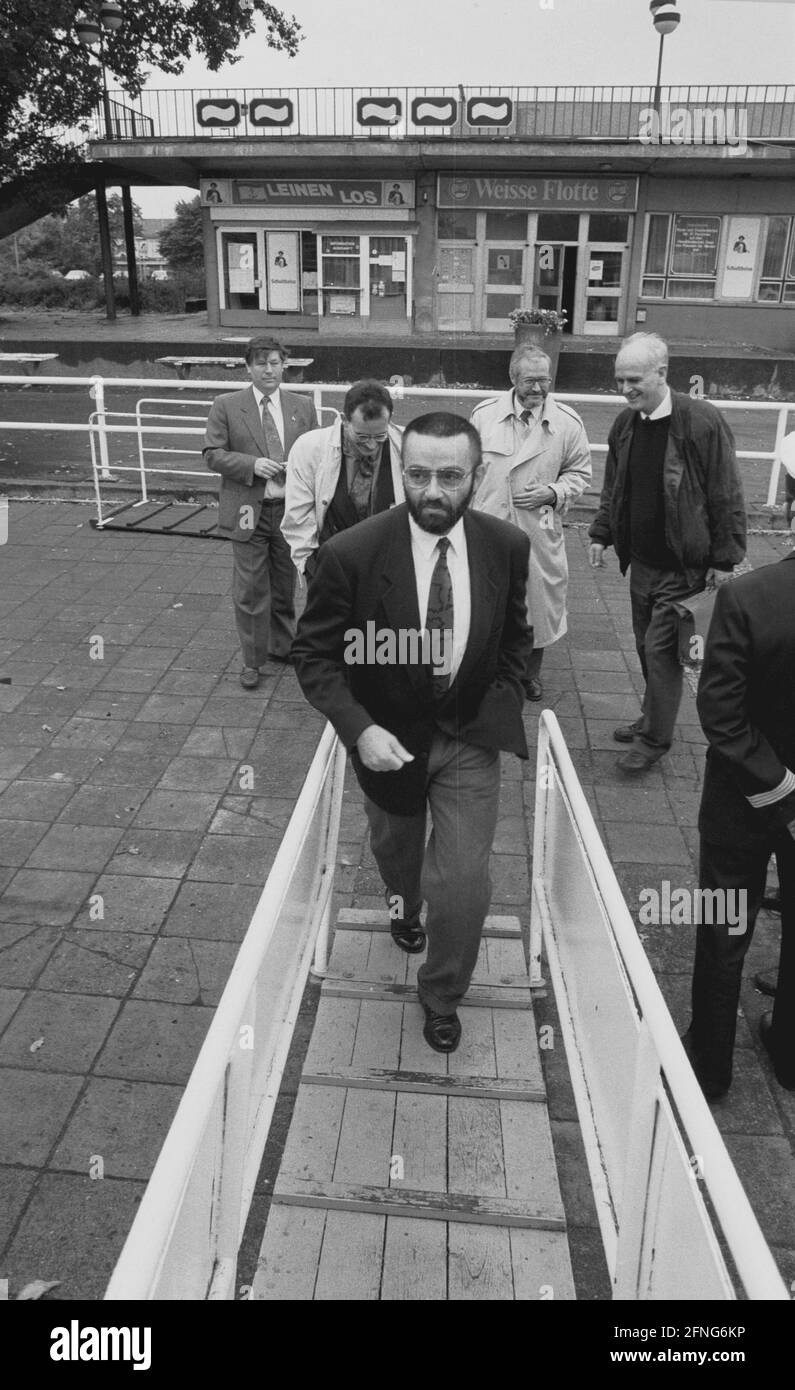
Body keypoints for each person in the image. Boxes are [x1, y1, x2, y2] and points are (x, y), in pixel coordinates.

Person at [292, 413, 532, 1054]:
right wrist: (359, 730)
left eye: (450, 476)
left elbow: (516, 635)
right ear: (402, 471)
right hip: (387, 741)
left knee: (460, 882)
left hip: (470, 738)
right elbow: (313, 657)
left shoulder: (507, 545)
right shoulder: (351, 554)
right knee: (398, 856)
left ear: (478, 477)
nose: (432, 491)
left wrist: (503, 697)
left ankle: (442, 992)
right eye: (418, 474)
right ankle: (403, 903)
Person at [588, 332, 746, 772]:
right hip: (642, 564)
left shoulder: (700, 421)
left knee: (661, 653)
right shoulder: (626, 424)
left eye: (633, 379)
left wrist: (724, 559)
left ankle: (655, 740)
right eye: (619, 380)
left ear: (662, 373)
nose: (624, 390)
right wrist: (602, 533)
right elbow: (615, 486)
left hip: (684, 565)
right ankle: (651, 717)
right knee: (644, 647)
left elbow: (726, 491)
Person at [682, 540, 795, 1099]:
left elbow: (721, 712)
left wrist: (780, 790)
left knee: (723, 931)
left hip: (740, 799)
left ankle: (709, 1065)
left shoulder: (746, 595)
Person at [470, 346, 591, 701]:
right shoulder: (484, 416)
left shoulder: (568, 422)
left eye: (544, 380)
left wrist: (553, 492)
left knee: (538, 604)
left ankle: (528, 675)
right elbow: (466, 468)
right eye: (530, 381)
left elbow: (580, 474)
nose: (538, 389)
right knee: (488, 604)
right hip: (489, 527)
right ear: (512, 378)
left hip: (539, 530)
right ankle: (489, 671)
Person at [203, 336, 318, 689]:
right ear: (248, 367)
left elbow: (315, 453)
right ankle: (253, 661)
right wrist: (253, 465)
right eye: (261, 363)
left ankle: (282, 648)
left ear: (285, 365)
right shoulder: (226, 404)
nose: (269, 370)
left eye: (275, 362)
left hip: (289, 512)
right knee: (252, 588)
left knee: (284, 585)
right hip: (247, 510)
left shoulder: (302, 405)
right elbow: (212, 453)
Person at [281, 379, 404, 581]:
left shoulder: (406, 445)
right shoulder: (309, 449)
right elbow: (298, 515)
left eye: (380, 436)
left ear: (390, 420)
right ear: (345, 420)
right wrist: (311, 568)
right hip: (329, 564)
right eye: (362, 436)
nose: (372, 445)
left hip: (388, 565)